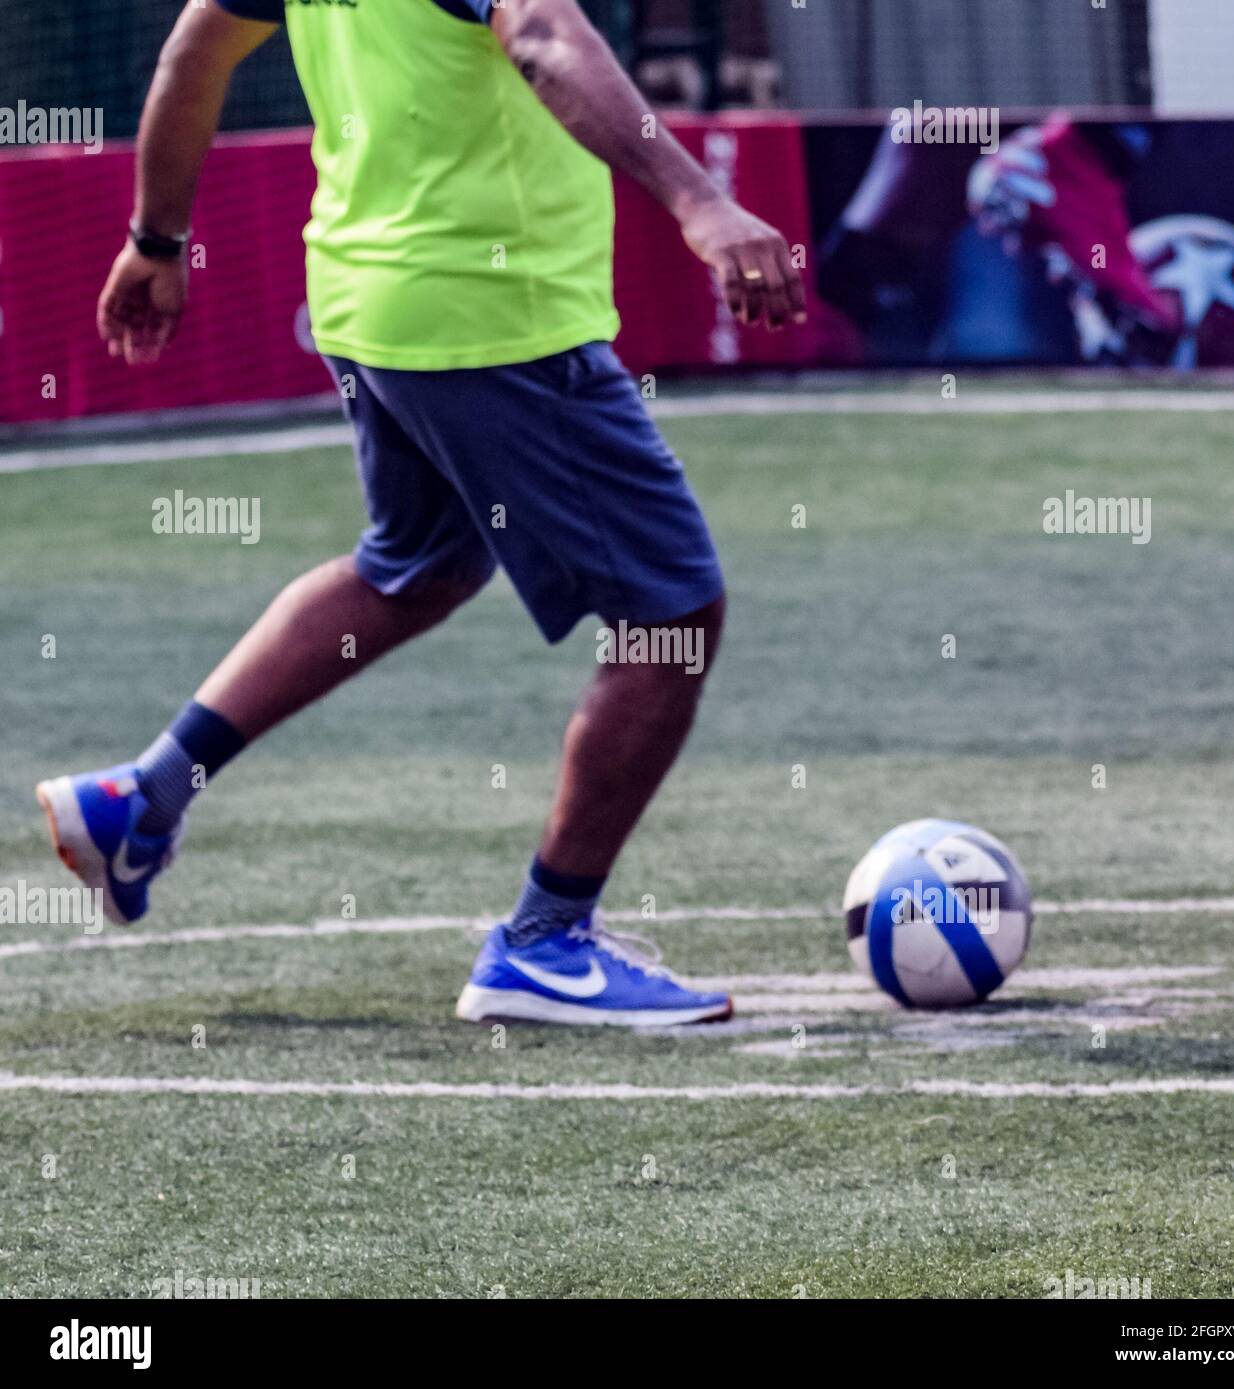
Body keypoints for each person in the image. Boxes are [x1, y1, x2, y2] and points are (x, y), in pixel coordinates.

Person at [36, 0, 806, 1027]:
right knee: (669, 614)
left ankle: (143, 798)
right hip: (492, 319)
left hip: (370, 299)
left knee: (418, 565)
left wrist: (156, 237)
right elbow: (539, 36)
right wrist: (700, 200)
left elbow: (196, 47)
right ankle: (544, 940)